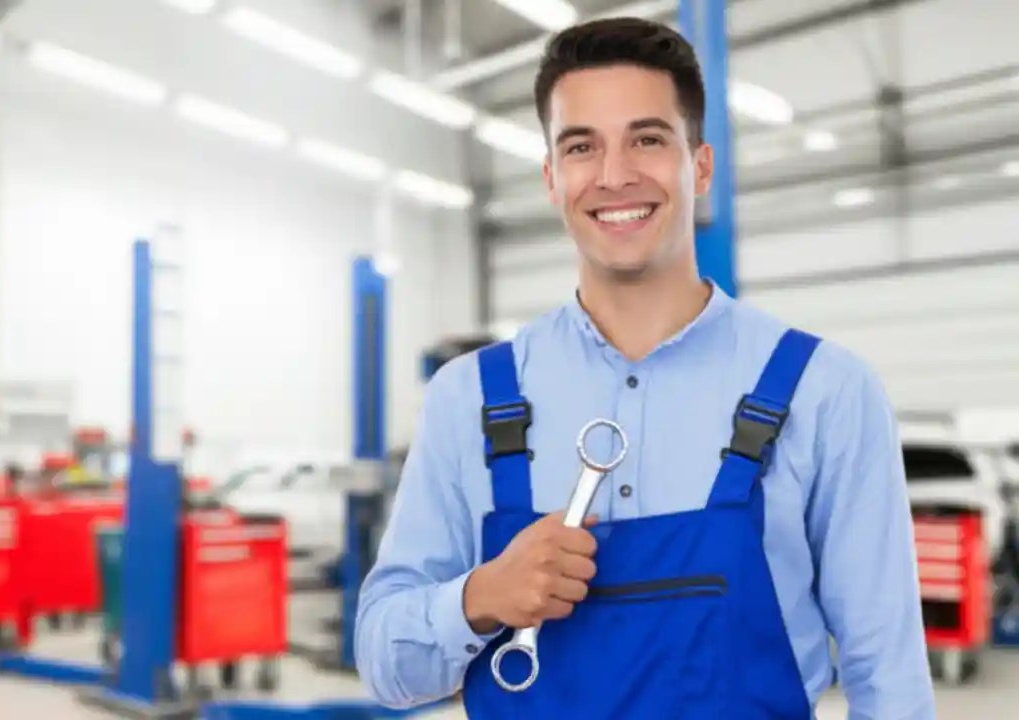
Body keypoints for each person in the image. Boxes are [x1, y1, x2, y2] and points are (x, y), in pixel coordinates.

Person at [355, 16, 934, 719]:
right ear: (550, 177)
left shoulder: (827, 391)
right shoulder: (468, 399)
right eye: (581, 147)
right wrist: (479, 598)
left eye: (647, 139)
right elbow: (387, 667)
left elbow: (890, 676)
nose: (614, 175)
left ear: (700, 165)